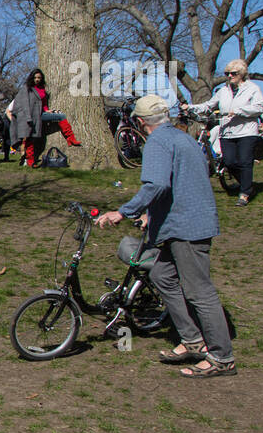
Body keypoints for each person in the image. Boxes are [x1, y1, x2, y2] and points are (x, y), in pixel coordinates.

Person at [95, 95, 235, 377]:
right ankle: (193, 340)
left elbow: (156, 184)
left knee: (199, 291)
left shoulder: (158, 142)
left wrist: (124, 212)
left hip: (187, 228)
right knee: (161, 275)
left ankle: (222, 357)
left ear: (140, 121)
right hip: (183, 222)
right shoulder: (184, 139)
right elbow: (180, 182)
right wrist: (151, 215)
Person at [182, 59, 263, 206]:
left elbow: (259, 108)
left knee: (245, 162)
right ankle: (247, 184)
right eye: (227, 73)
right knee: (228, 161)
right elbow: (209, 106)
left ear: (241, 74)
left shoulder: (252, 88)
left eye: (233, 73)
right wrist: (190, 107)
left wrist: (239, 111)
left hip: (246, 131)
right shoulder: (223, 91)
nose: (229, 76)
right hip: (227, 132)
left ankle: (244, 193)